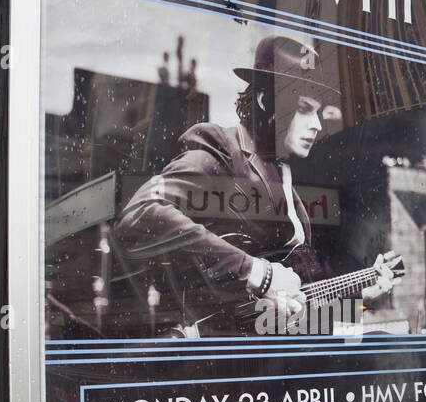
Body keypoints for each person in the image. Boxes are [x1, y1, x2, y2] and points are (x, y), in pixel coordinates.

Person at [111, 35, 398, 337]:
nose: (316, 124)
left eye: (318, 112)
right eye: (304, 108)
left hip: (278, 356)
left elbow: (291, 316)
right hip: (226, 354)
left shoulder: (286, 176)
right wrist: (256, 272)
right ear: (265, 101)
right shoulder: (222, 150)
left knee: (386, 341)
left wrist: (360, 296)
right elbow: (140, 213)